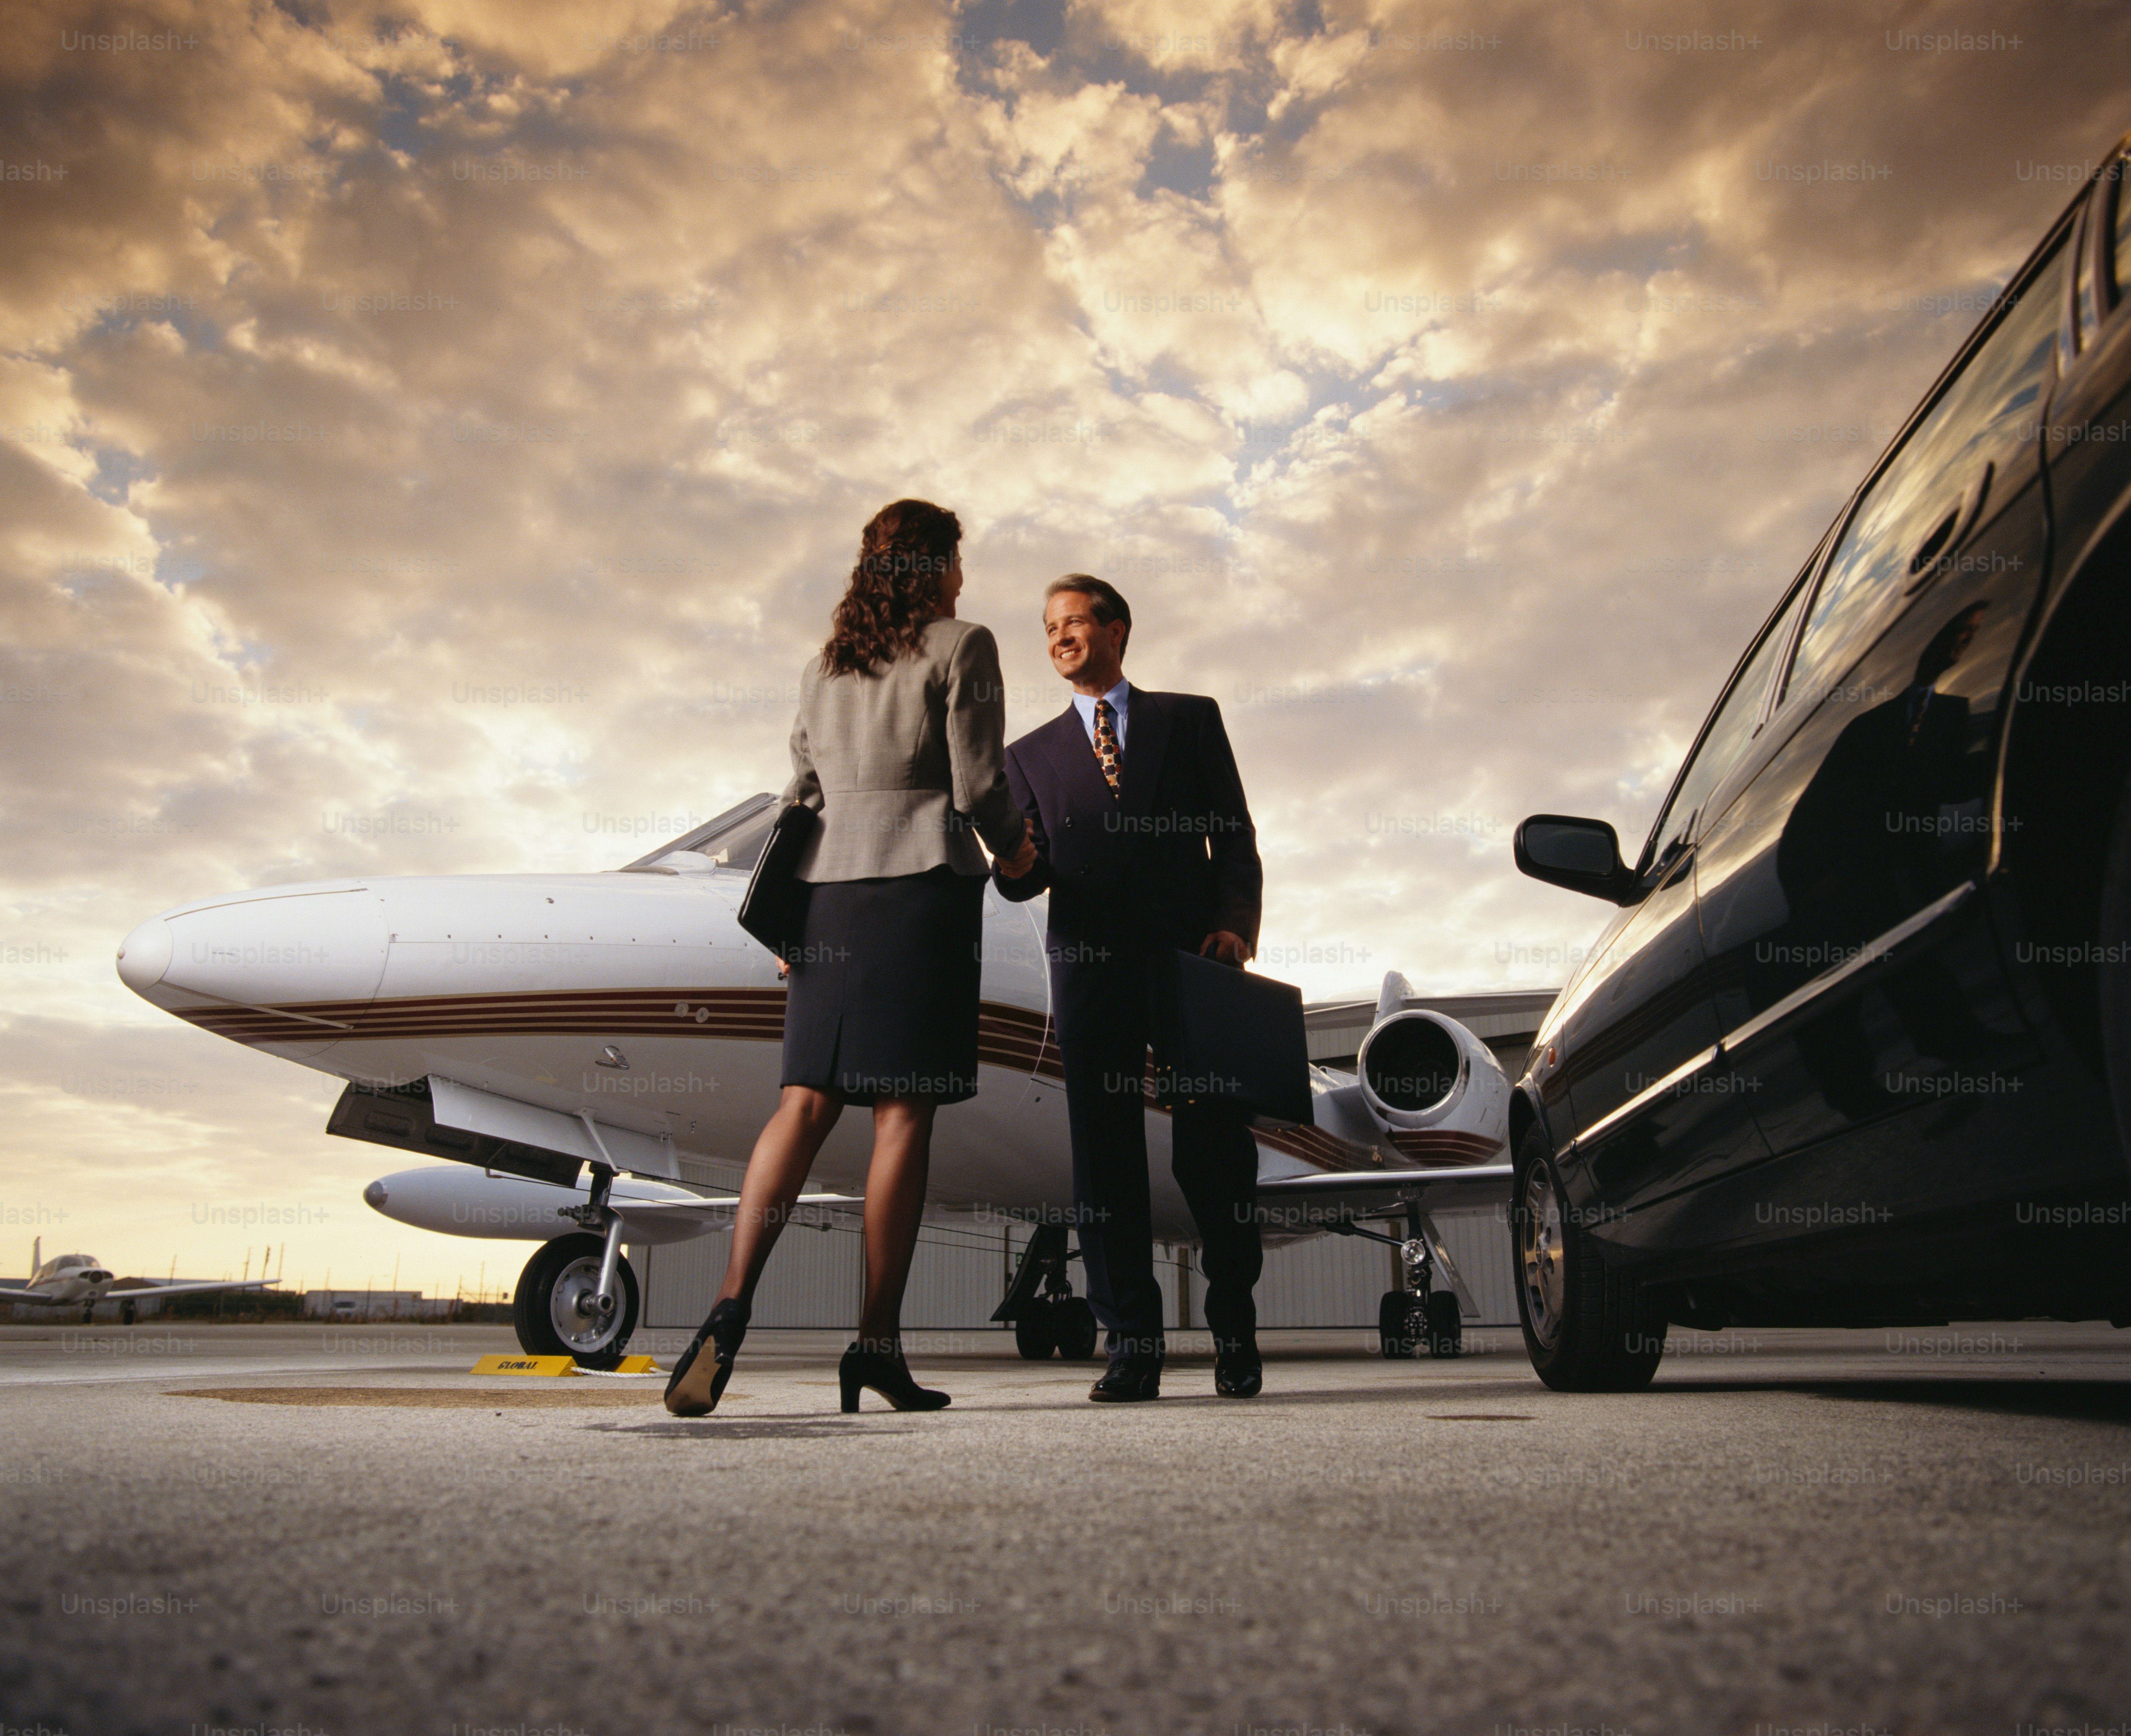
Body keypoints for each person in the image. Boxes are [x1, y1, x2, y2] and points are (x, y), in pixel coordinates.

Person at [665, 500, 1036, 1417]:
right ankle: (876, 1345)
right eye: (956, 560)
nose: (963, 578)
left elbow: (803, 792)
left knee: (803, 1103)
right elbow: (980, 781)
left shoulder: (824, 666)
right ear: (934, 565)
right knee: (902, 1118)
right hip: (920, 896)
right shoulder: (965, 645)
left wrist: (798, 933)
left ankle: (727, 1306)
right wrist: (1020, 853)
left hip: (828, 900)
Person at [991, 575, 1266, 1401]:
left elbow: (1235, 836)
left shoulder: (1190, 719)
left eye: (1073, 622)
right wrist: (1012, 859)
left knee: (1214, 1151)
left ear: (1117, 629)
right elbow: (1020, 882)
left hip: (1193, 964)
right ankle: (1132, 1343)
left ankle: (1234, 1332)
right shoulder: (1026, 756)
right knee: (1104, 1163)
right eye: (1048, 629)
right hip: (1090, 972)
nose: (1059, 639)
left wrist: (1236, 924)